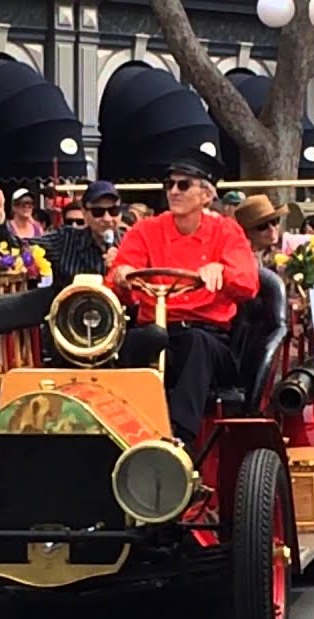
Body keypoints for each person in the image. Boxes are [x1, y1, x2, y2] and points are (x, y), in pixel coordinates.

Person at [107, 150, 259, 449]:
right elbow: (118, 279)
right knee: (118, 347)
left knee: (195, 343)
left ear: (206, 195)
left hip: (210, 338)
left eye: (183, 185)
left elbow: (249, 284)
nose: (173, 191)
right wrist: (122, 274)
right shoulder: (146, 230)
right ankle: (114, 431)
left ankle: (178, 437)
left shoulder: (226, 232)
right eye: (169, 184)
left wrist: (222, 272)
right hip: (156, 330)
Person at [0, 180, 122, 288]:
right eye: (98, 212)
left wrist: (122, 266)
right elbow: (18, 248)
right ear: (85, 213)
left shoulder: (131, 242)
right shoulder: (65, 239)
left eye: (113, 210)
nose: (107, 218)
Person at [233, 194, 287, 266]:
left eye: (275, 221)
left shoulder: (285, 250)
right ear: (247, 232)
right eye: (262, 226)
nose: (272, 229)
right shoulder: (239, 259)